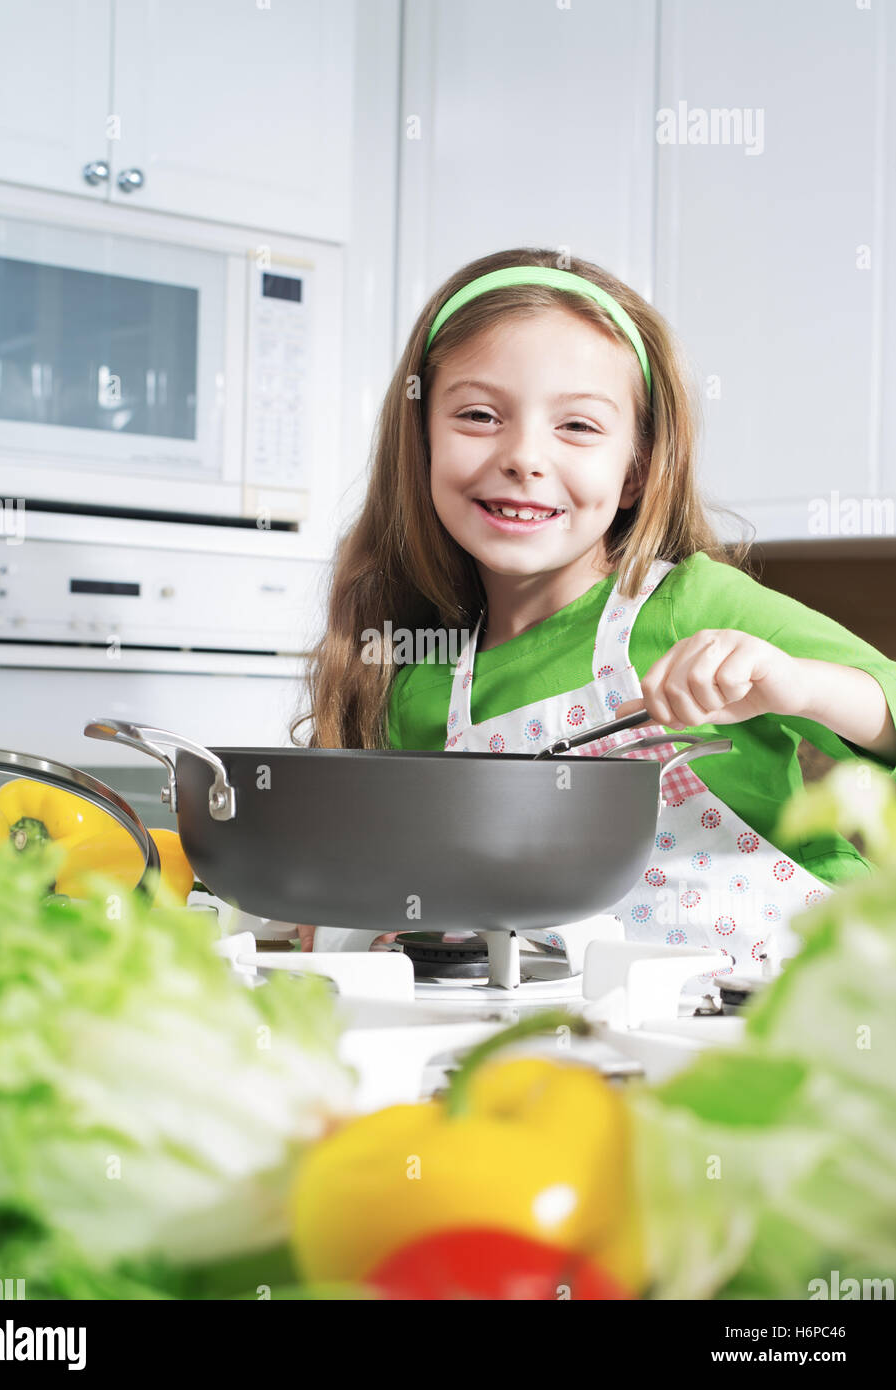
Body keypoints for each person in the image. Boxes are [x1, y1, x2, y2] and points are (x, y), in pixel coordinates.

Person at [287, 247, 896, 985]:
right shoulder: (420, 674)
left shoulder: (693, 603)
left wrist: (797, 686)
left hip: (794, 1008)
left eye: (576, 427)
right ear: (419, 445)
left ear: (635, 469)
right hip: (576, 1033)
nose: (523, 457)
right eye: (478, 415)